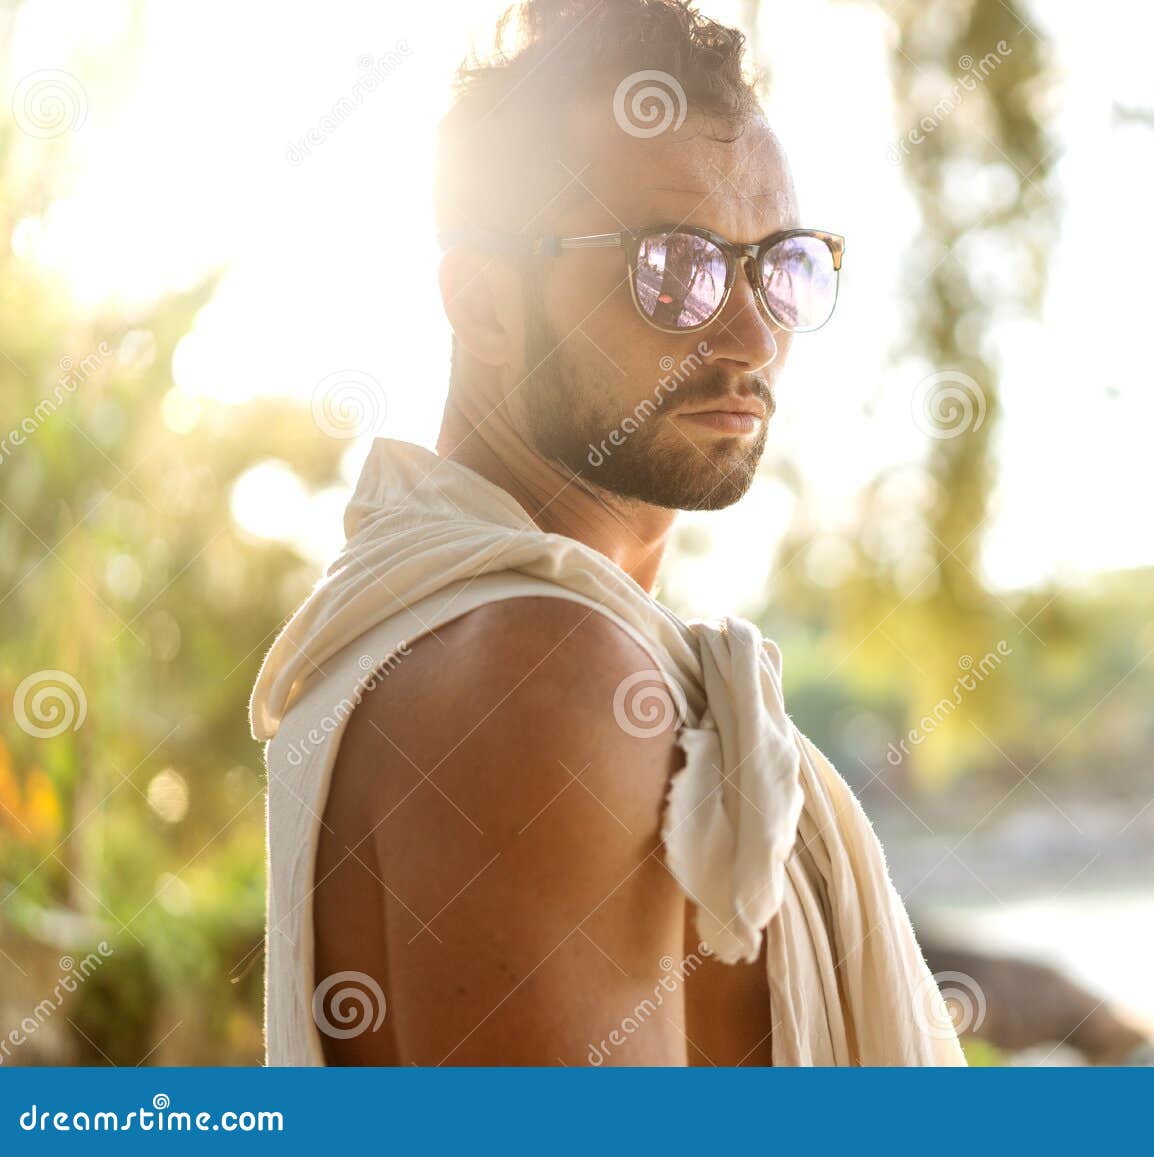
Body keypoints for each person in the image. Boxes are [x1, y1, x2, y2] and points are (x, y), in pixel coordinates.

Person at [248, 0, 963, 1066]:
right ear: (485, 305)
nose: (751, 330)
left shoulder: (461, 632)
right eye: (674, 266)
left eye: (784, 261)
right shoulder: (541, 668)